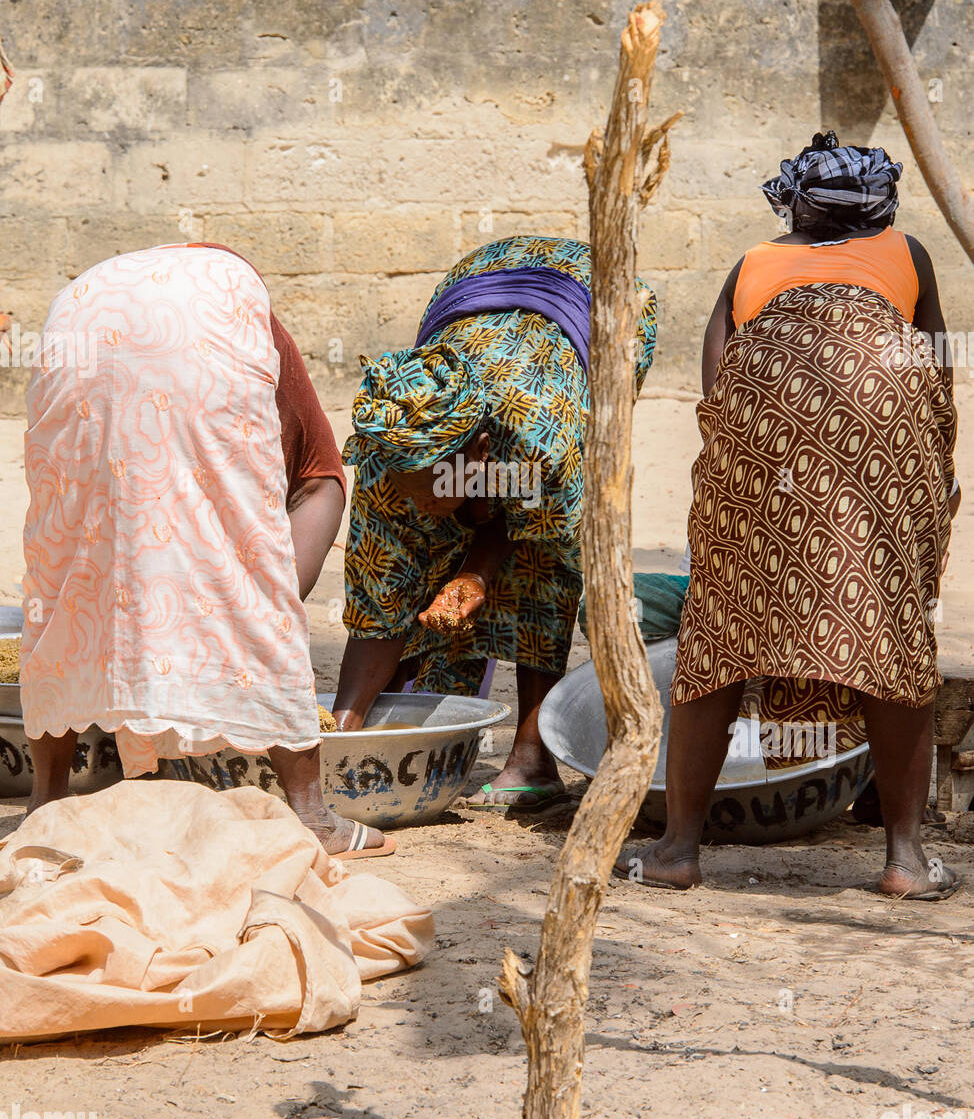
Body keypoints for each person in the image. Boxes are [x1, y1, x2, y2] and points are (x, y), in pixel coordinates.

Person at [616, 133, 961, 899]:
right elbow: (938, 371)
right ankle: (906, 860)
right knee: (886, 620)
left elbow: (716, 390)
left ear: (793, 207)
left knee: (719, 627)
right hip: (886, 410)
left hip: (761, 416)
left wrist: (750, 491)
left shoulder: (752, 264)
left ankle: (677, 849)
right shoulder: (908, 254)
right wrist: (928, 485)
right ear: (881, 209)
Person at [21, 242, 393, 857]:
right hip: (200, 322)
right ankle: (313, 815)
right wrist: (268, 600)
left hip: (74, 324)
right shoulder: (257, 332)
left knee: (67, 562)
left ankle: (47, 798)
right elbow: (320, 485)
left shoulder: (144, 283)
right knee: (248, 569)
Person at [333, 235, 657, 809]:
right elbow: (376, 599)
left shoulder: (538, 440)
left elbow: (546, 532)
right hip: (477, 284)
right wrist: (340, 729)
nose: (425, 507)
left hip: (598, 303)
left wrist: (479, 572)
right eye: (414, 494)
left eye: (439, 490)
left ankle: (533, 760)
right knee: (406, 551)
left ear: (482, 450)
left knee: (541, 569)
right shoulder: (394, 456)